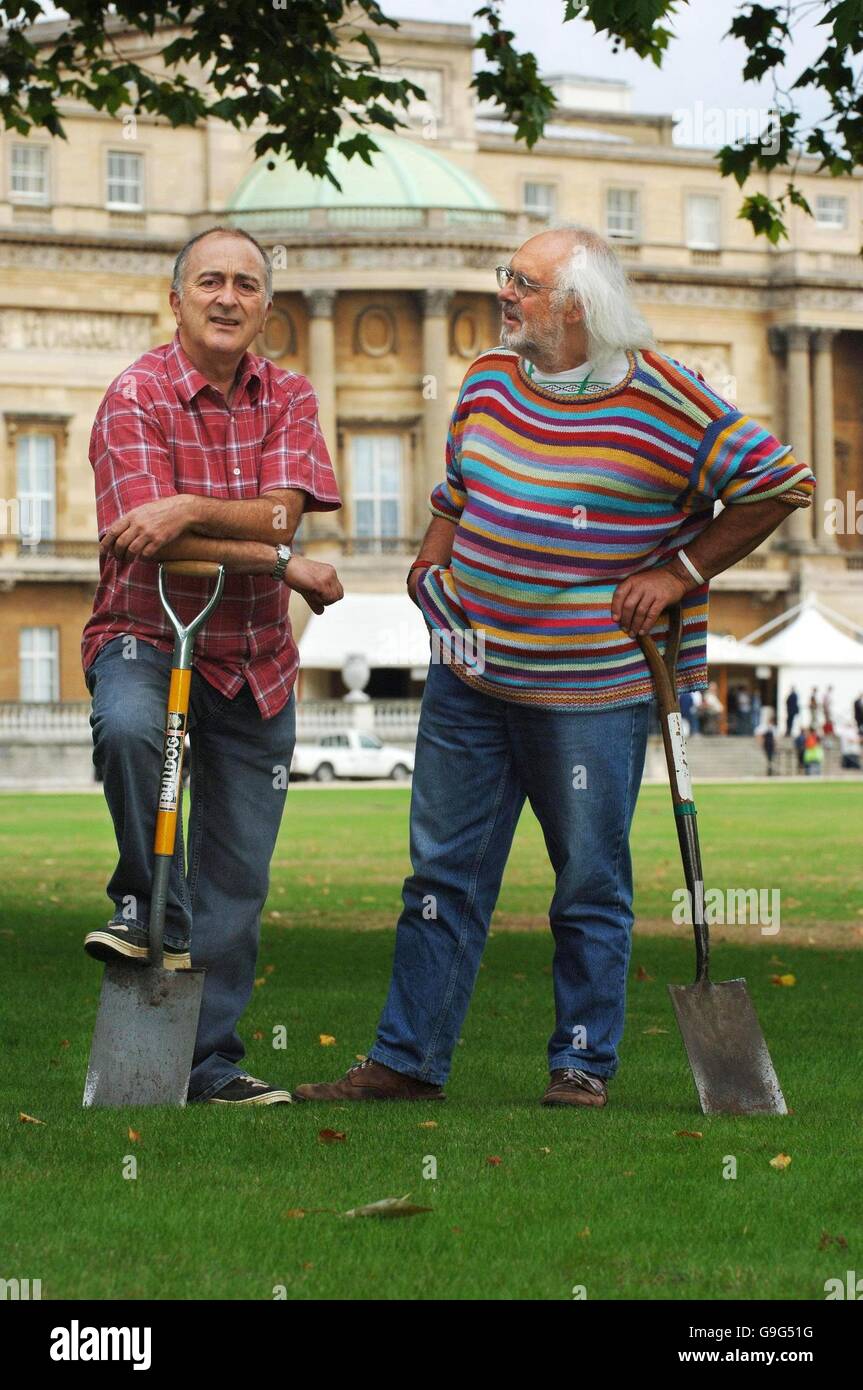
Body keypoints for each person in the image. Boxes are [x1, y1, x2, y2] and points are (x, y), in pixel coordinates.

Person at [293, 224, 815, 1111]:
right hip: (470, 675)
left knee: (587, 879)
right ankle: (406, 1060)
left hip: (590, 690)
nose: (505, 295)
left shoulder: (666, 398)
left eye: (523, 284)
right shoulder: (489, 377)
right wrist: (429, 566)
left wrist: (676, 572)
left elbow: (780, 481)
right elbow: (456, 491)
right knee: (440, 876)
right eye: (509, 278)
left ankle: (581, 1062)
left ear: (577, 304)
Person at [81, 226, 344, 1106]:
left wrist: (192, 508)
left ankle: (207, 1066)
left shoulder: (293, 396)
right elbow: (146, 548)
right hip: (145, 637)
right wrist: (278, 561)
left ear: (266, 305)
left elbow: (276, 519)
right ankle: (146, 899)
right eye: (209, 282)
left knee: (237, 880)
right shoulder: (135, 396)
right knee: (126, 728)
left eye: (245, 284)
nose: (228, 297)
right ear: (177, 300)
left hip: (257, 663)